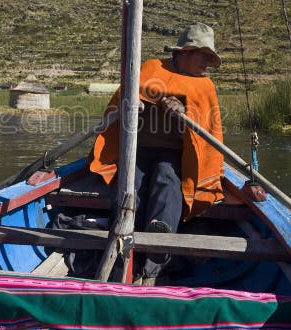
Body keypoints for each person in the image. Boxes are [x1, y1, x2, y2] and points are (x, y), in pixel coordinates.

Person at [88, 22, 225, 282]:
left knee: (167, 178)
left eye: (210, 58)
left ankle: (157, 248)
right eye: (204, 56)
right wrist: (133, 103)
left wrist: (185, 113)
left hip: (174, 153)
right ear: (185, 52)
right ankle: (124, 241)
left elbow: (204, 132)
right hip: (137, 148)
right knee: (132, 182)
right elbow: (122, 103)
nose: (207, 63)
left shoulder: (204, 86)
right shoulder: (151, 69)